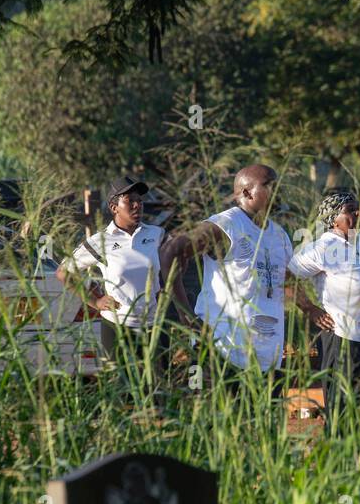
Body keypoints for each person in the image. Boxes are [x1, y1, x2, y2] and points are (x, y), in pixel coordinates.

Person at [159, 165, 294, 395]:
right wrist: (186, 315)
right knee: (217, 426)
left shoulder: (279, 234)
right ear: (246, 193)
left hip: (267, 354)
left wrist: (310, 309)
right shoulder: (226, 225)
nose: (277, 189)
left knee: (262, 429)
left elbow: (287, 284)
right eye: (269, 185)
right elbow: (170, 252)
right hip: (221, 351)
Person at [288, 189, 360, 438]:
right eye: (350, 209)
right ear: (332, 218)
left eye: (357, 207)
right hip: (348, 342)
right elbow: (285, 277)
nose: (357, 212)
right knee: (347, 417)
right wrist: (309, 308)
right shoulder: (321, 248)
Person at [56, 176, 169, 379]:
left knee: (158, 391)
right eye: (130, 200)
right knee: (121, 393)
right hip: (117, 328)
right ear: (114, 207)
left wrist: (166, 290)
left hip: (154, 326)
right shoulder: (100, 242)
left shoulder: (157, 234)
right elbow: (64, 272)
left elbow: (175, 261)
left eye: (140, 201)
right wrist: (95, 301)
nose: (137, 205)